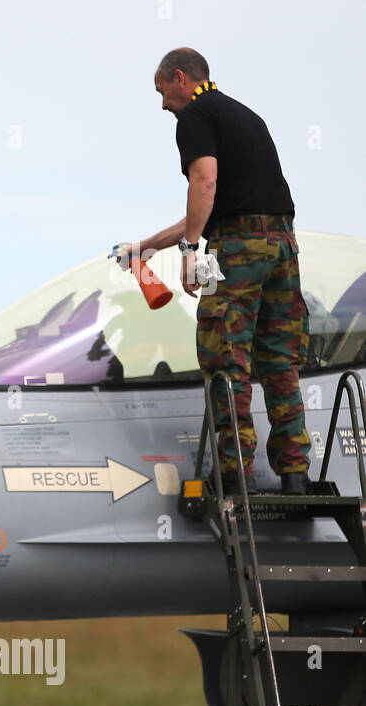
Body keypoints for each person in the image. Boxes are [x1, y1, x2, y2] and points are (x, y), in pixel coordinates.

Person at [115, 47, 311, 496]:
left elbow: (204, 184)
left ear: (180, 78)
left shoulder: (195, 117)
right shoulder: (248, 117)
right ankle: (294, 472)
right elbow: (211, 208)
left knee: (226, 357)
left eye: (162, 91)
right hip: (282, 246)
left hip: (239, 251)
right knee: (280, 359)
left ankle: (233, 469)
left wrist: (189, 252)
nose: (163, 103)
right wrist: (146, 248)